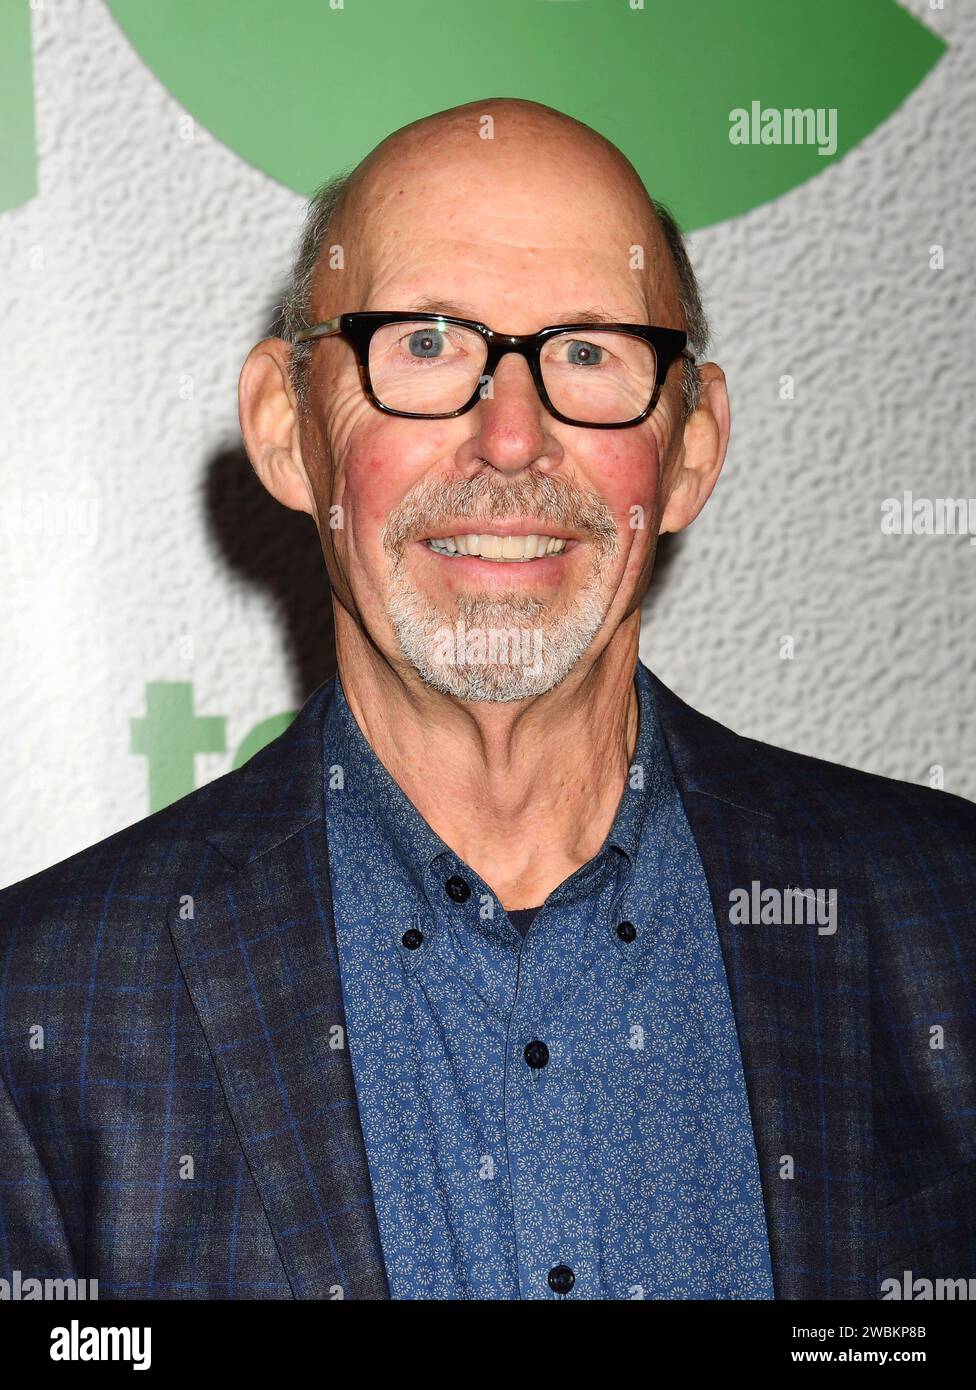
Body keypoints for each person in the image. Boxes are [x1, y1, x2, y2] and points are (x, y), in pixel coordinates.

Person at [1, 98, 973, 1301]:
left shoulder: (949, 922)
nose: (510, 438)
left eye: (586, 352)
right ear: (286, 430)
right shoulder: (38, 1010)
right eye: (423, 345)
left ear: (691, 450)